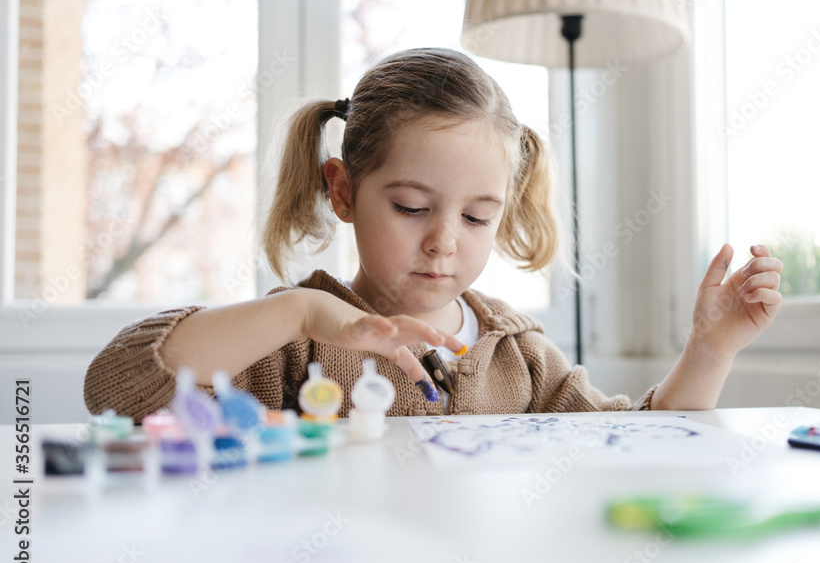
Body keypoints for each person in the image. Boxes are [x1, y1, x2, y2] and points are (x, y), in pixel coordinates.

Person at [84, 47, 783, 421]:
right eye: (414, 207)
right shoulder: (287, 343)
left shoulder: (518, 354)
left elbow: (639, 444)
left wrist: (710, 348)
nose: (445, 241)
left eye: (477, 217)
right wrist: (297, 309)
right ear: (343, 190)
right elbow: (115, 386)